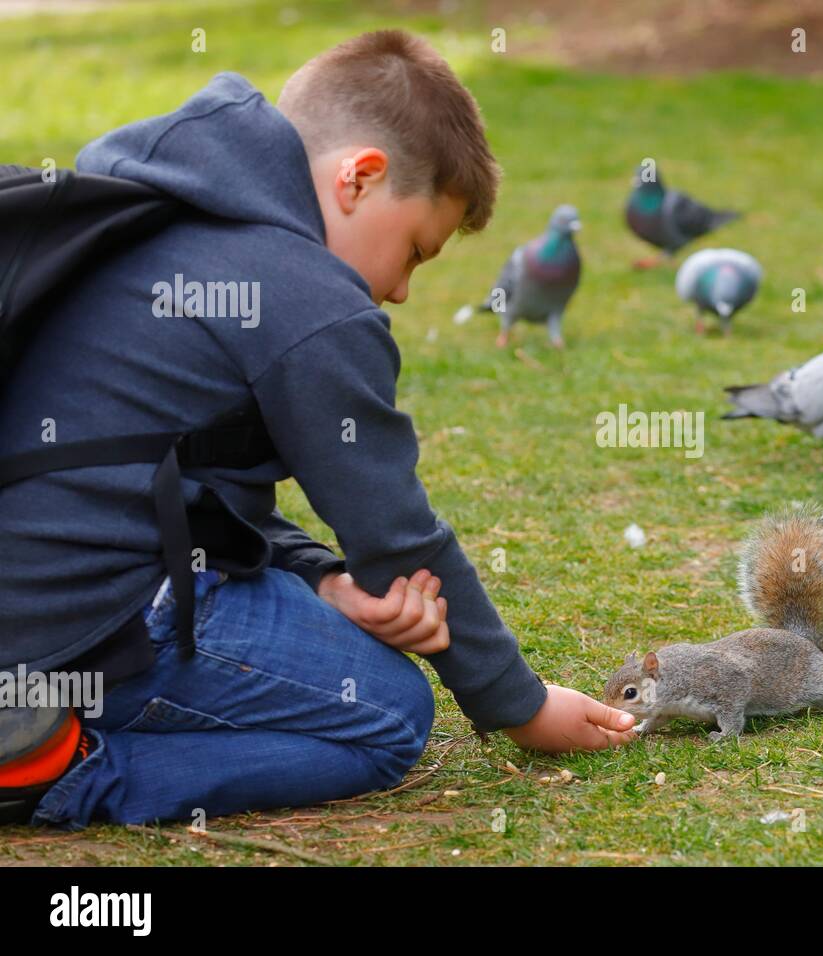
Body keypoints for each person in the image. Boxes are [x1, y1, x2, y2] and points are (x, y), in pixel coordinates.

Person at [0, 30, 636, 830]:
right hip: (88, 623)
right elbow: (398, 537)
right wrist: (522, 706)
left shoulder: (158, 209)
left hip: (33, 599)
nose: (401, 291)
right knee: (389, 713)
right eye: (415, 251)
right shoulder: (310, 297)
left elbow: (165, 470)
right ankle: (52, 766)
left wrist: (321, 578)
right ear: (358, 178)